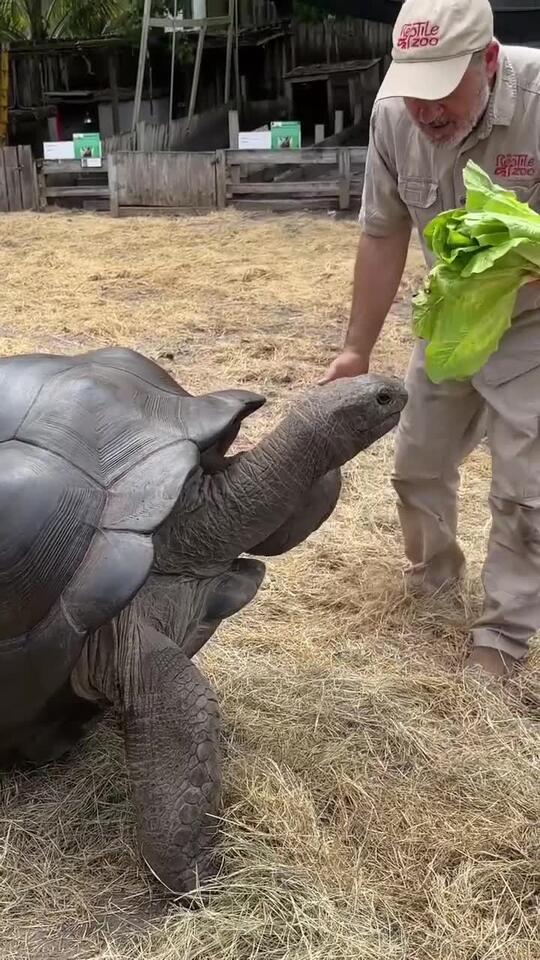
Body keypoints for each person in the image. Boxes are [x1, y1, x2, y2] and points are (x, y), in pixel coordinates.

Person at [321, 0, 540, 679]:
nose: (427, 110)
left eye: (443, 89)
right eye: (415, 90)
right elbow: (383, 233)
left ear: (490, 61)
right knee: (416, 464)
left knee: (525, 485)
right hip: (448, 315)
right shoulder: (394, 117)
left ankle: (503, 637)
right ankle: (433, 585)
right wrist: (356, 348)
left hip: (532, 318)